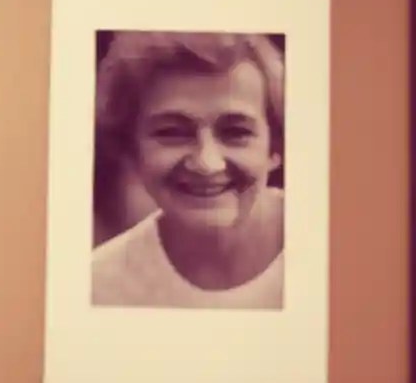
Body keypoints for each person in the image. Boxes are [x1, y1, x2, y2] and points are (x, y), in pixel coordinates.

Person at [90, 31, 285, 310]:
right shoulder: (99, 286)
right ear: (132, 151)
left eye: (235, 132)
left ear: (274, 147)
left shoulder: (325, 251)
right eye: (172, 132)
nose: (207, 163)